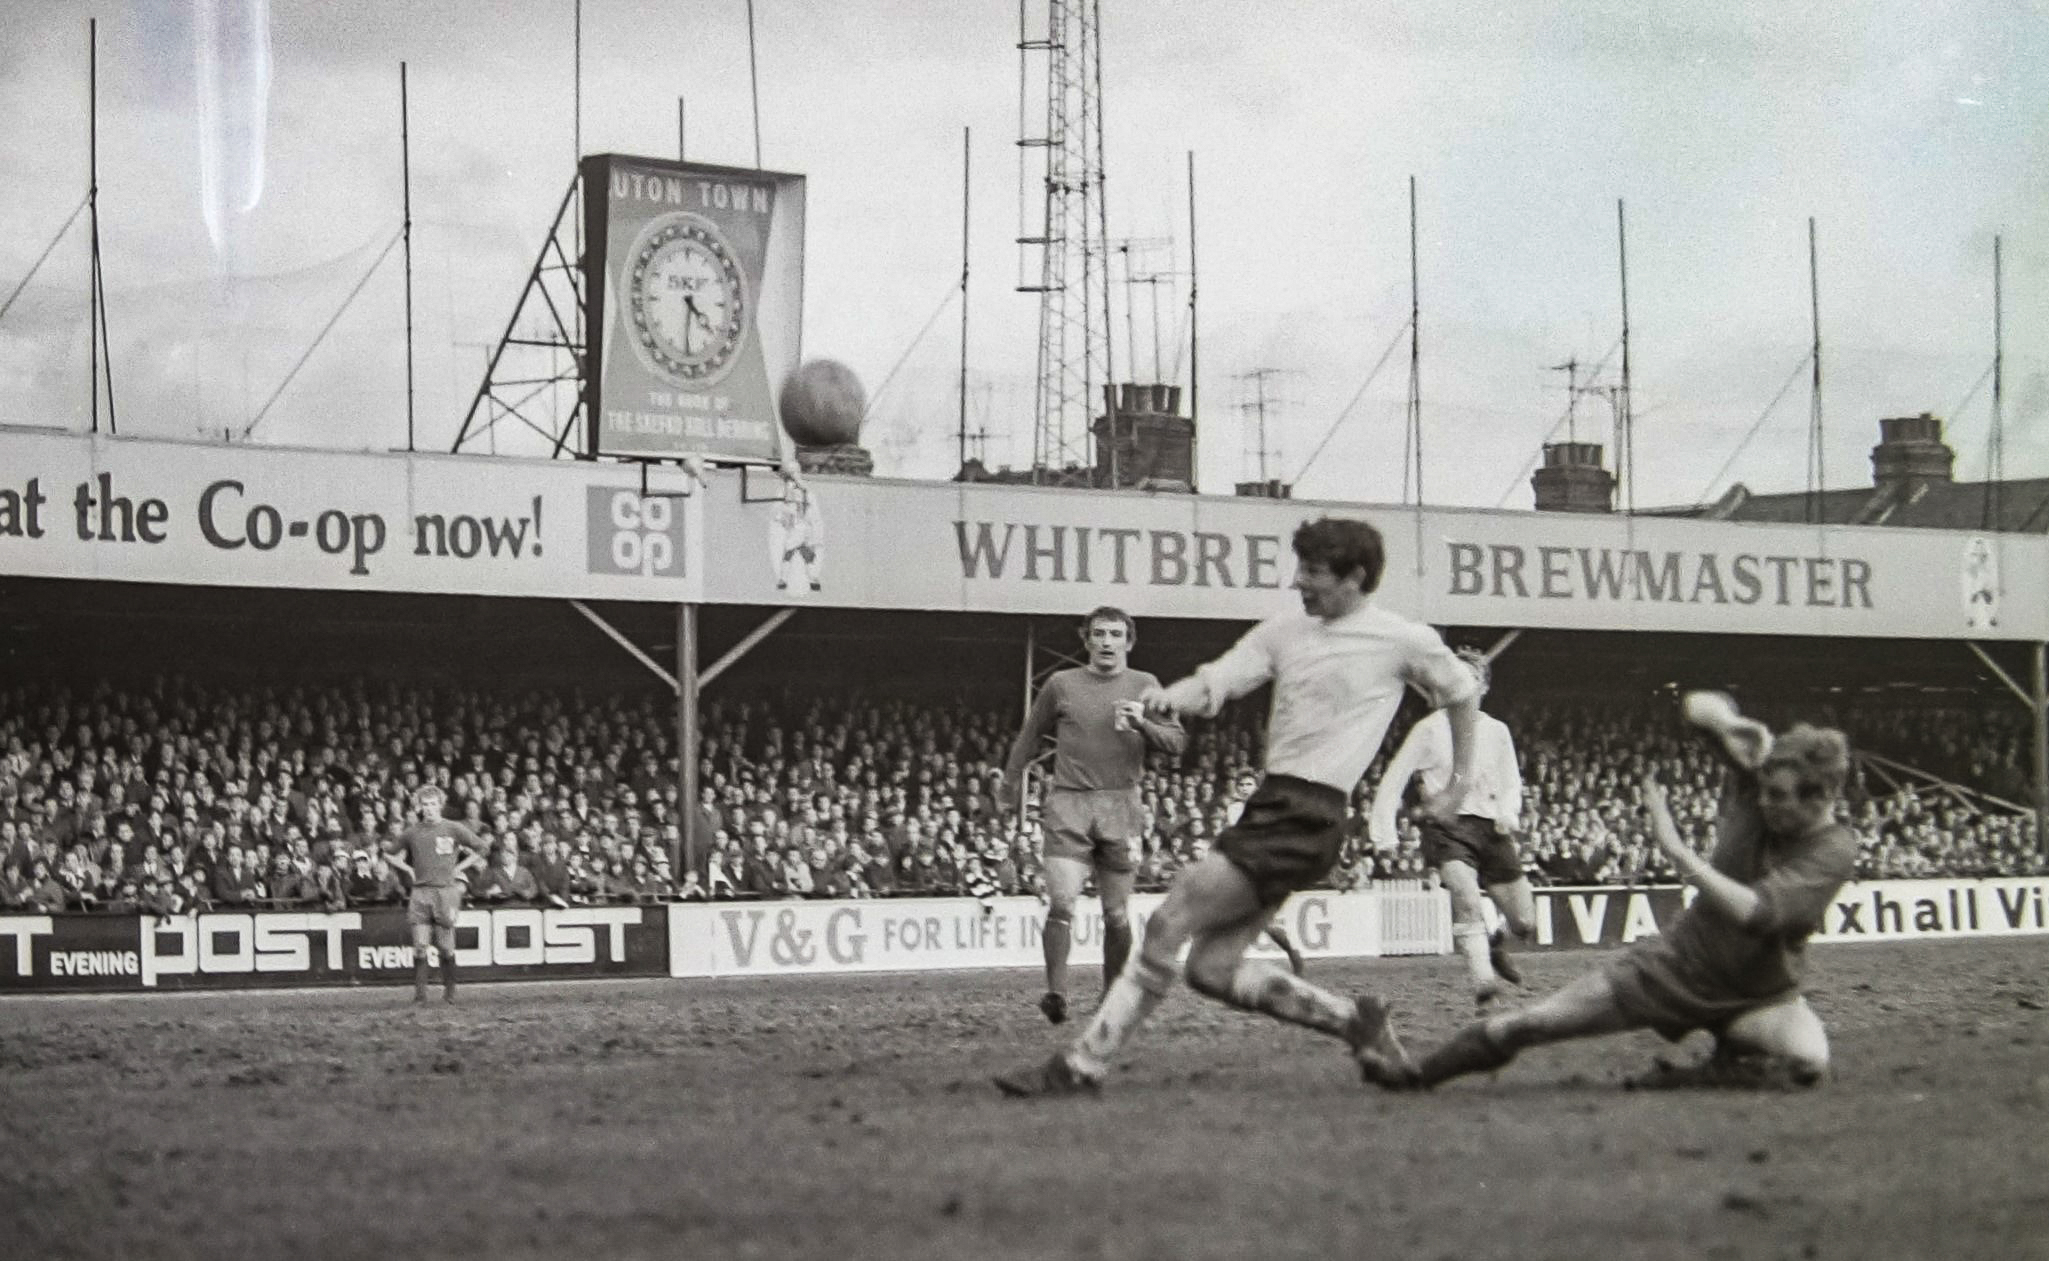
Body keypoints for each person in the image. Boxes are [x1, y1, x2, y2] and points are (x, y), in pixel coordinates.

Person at [995, 516, 1481, 1096]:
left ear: (1355, 577)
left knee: (1170, 921)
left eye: (1314, 572)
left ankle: (1081, 1066)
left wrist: (1457, 784)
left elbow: (1462, 691)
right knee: (1212, 970)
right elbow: (1219, 680)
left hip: (1310, 810)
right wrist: (1167, 698)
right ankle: (1357, 1024)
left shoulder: (1404, 639)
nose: (1299, 582)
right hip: (1275, 808)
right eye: (1299, 568)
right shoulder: (1286, 631)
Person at [1380, 692, 1859, 1092]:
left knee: (1807, 1063)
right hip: (1675, 966)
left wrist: (1680, 854)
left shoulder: (1833, 851)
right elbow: (1694, 705)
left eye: (1778, 797)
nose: (1763, 801)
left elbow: (1756, 913)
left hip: (1759, 993)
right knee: (1534, 1024)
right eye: (1765, 791)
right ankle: (1417, 1075)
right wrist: (1727, 721)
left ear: (1820, 799)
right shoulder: (1763, 787)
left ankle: (1710, 1071)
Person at [999, 606, 1188, 1025]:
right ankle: (1056, 993)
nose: (1106, 641)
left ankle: (1110, 997)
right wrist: (1009, 788)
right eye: (1098, 633)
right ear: (1086, 640)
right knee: (1062, 902)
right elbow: (1029, 736)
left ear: (1129, 642)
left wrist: (1144, 725)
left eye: (1115, 634)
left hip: (1121, 805)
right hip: (1069, 801)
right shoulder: (1061, 684)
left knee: (1116, 913)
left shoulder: (1145, 685)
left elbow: (1176, 743)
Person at [1366, 647, 1534, 1007]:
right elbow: (1393, 779)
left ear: (1483, 687)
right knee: (1466, 898)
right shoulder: (1428, 730)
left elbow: (1511, 782)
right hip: (1448, 829)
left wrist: (1508, 812)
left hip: (1491, 828)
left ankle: (1495, 942)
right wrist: (1384, 834)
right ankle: (1484, 986)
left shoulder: (1496, 731)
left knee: (1525, 924)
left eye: (1470, 680)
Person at [383, 785, 485, 1004]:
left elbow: (482, 848)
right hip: (420, 893)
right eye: (425, 805)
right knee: (420, 946)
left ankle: (449, 993)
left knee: (446, 947)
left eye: (432, 804)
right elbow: (389, 853)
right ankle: (420, 996)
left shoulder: (453, 828)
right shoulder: (412, 831)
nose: (428, 809)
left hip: (445, 892)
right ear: (420, 807)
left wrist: (459, 868)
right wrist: (408, 868)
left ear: (440, 805)